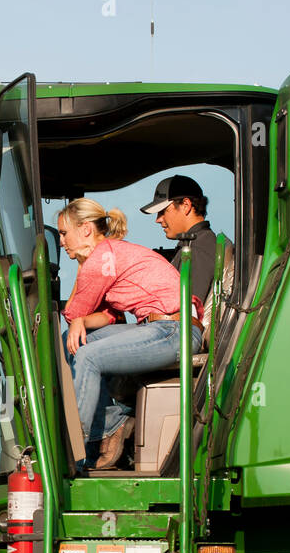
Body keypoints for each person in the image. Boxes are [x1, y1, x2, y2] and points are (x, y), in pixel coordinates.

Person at [59, 198, 204, 470]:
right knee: (80, 341)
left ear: (86, 229)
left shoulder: (101, 258)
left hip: (174, 329)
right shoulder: (109, 254)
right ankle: (114, 423)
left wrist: (77, 309)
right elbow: (108, 316)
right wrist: (79, 321)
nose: (61, 241)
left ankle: (73, 454)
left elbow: (72, 311)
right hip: (159, 326)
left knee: (86, 355)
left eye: (64, 233)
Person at [141, 175, 219, 319]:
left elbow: (188, 315)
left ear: (186, 205)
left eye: (163, 211)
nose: (158, 219)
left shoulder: (196, 249)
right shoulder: (194, 244)